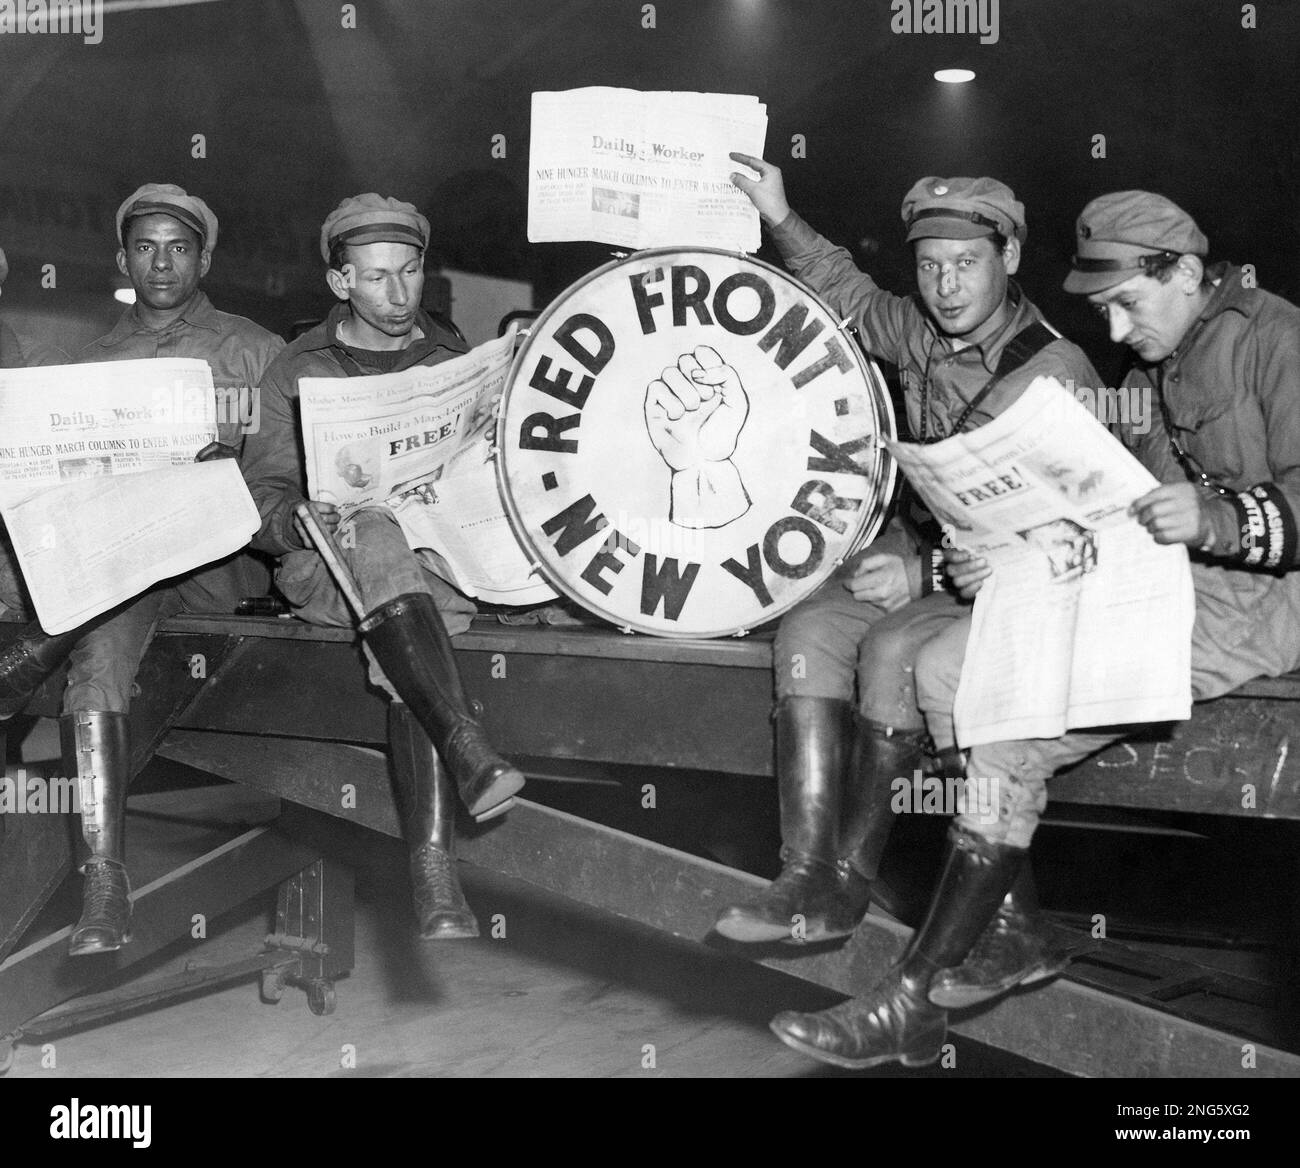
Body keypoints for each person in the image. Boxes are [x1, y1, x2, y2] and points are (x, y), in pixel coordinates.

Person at [769, 190, 1300, 1069]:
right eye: (1105, 311)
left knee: (1008, 729)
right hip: (1173, 585)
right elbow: (1112, 519)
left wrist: (1219, 519)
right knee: (944, 672)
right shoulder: (1148, 376)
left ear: (1191, 275)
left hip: (1270, 600)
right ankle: (1014, 931)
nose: (1119, 331)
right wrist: (994, 563)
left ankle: (909, 996)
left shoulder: (1277, 340)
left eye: (1129, 303)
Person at [714, 157, 1099, 976]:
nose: (946, 287)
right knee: (811, 626)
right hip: (930, 556)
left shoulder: (1053, 373)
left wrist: (922, 576)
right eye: (929, 267)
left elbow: (1074, 537)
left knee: (893, 652)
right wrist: (779, 214)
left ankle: (850, 880)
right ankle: (805, 874)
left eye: (966, 265)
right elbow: (845, 291)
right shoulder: (920, 328)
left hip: (1019, 586)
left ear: (1013, 260)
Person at [2, 185, 283, 957]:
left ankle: (26, 661)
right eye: (146, 247)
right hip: (125, 575)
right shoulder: (88, 366)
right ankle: (103, 881)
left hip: (221, 568)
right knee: (99, 643)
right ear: (122, 259)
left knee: (96, 595)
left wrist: (225, 474)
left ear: (205, 257)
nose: (162, 262)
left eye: (179, 246)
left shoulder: (255, 353)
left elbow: (286, 487)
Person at [239, 194, 524, 942]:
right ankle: (447, 809)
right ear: (340, 284)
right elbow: (261, 497)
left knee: (400, 603)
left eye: (410, 273)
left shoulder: (454, 360)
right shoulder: (292, 369)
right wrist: (294, 516)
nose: (399, 297)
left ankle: (436, 866)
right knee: (371, 530)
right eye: (375, 279)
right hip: (326, 567)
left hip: (430, 563)